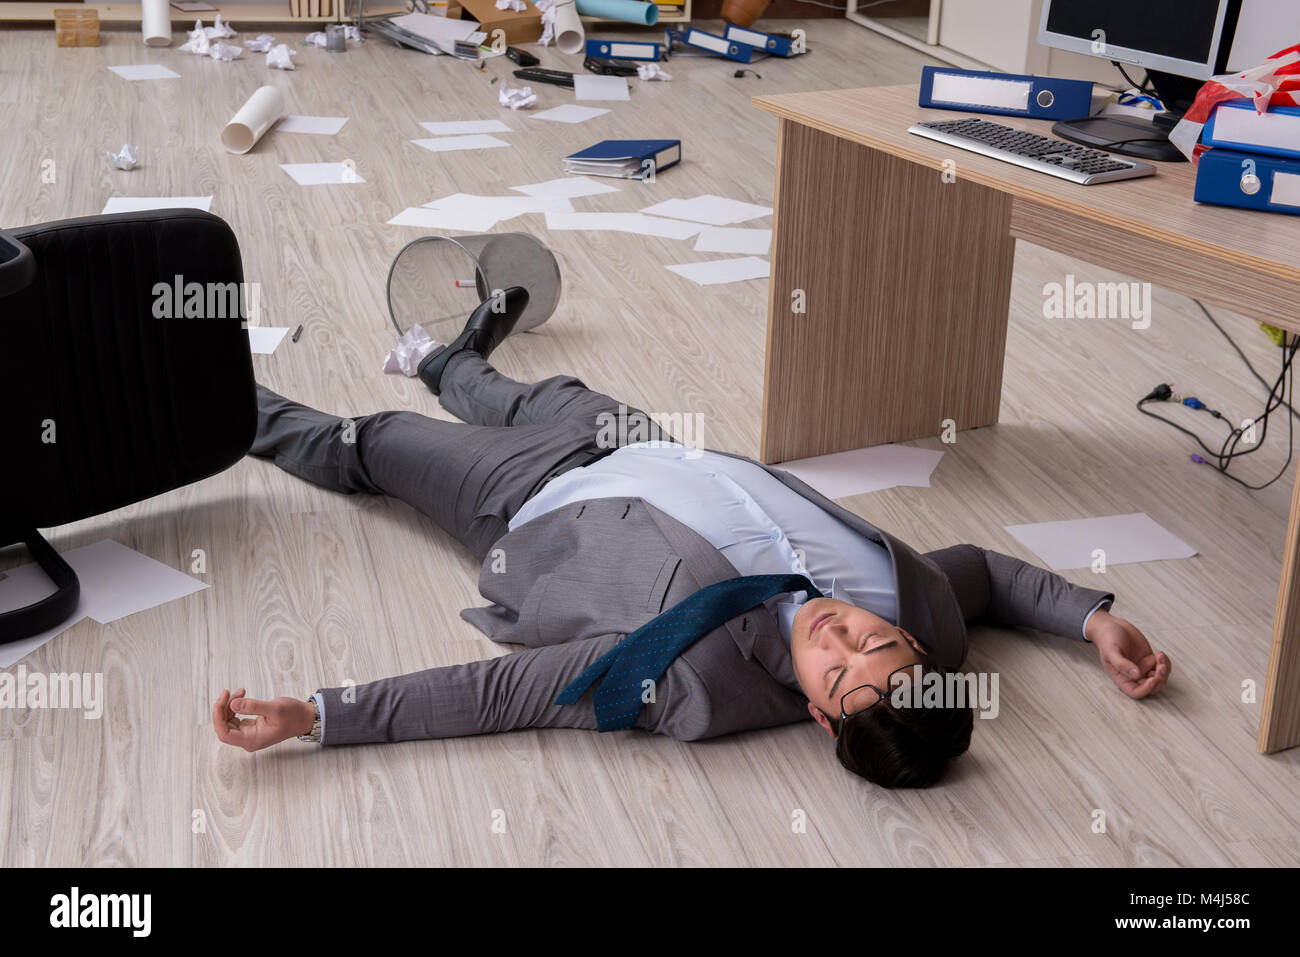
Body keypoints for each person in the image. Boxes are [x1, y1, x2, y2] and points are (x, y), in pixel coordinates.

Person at [212, 288, 1172, 787]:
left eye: (837, 672)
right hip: (636, 441)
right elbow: (989, 576)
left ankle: (215, 399)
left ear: (822, 718)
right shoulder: (921, 608)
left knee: (371, 442)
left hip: (528, 503)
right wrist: (1091, 623)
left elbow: (503, 693)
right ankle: (445, 355)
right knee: (510, 394)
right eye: (871, 641)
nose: (838, 634)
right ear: (916, 644)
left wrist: (318, 715)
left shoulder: (691, 681)